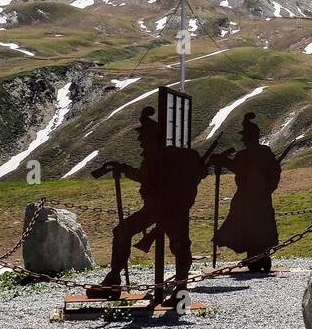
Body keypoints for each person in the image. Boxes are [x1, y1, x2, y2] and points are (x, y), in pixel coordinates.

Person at [90, 105, 211, 304]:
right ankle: (113, 279)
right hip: (154, 209)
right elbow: (146, 178)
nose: (140, 141)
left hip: (170, 210)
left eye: (143, 137)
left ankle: (180, 291)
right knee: (122, 232)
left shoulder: (167, 157)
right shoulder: (153, 157)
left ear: (152, 137)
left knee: (180, 246)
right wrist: (124, 169)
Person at [212, 112, 280, 269]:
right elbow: (240, 168)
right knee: (251, 226)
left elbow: (273, 173)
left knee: (257, 226)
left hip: (253, 198)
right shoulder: (255, 153)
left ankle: (259, 258)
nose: (243, 139)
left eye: (246, 136)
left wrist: (267, 189)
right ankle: (255, 257)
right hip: (249, 198)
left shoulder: (259, 153)